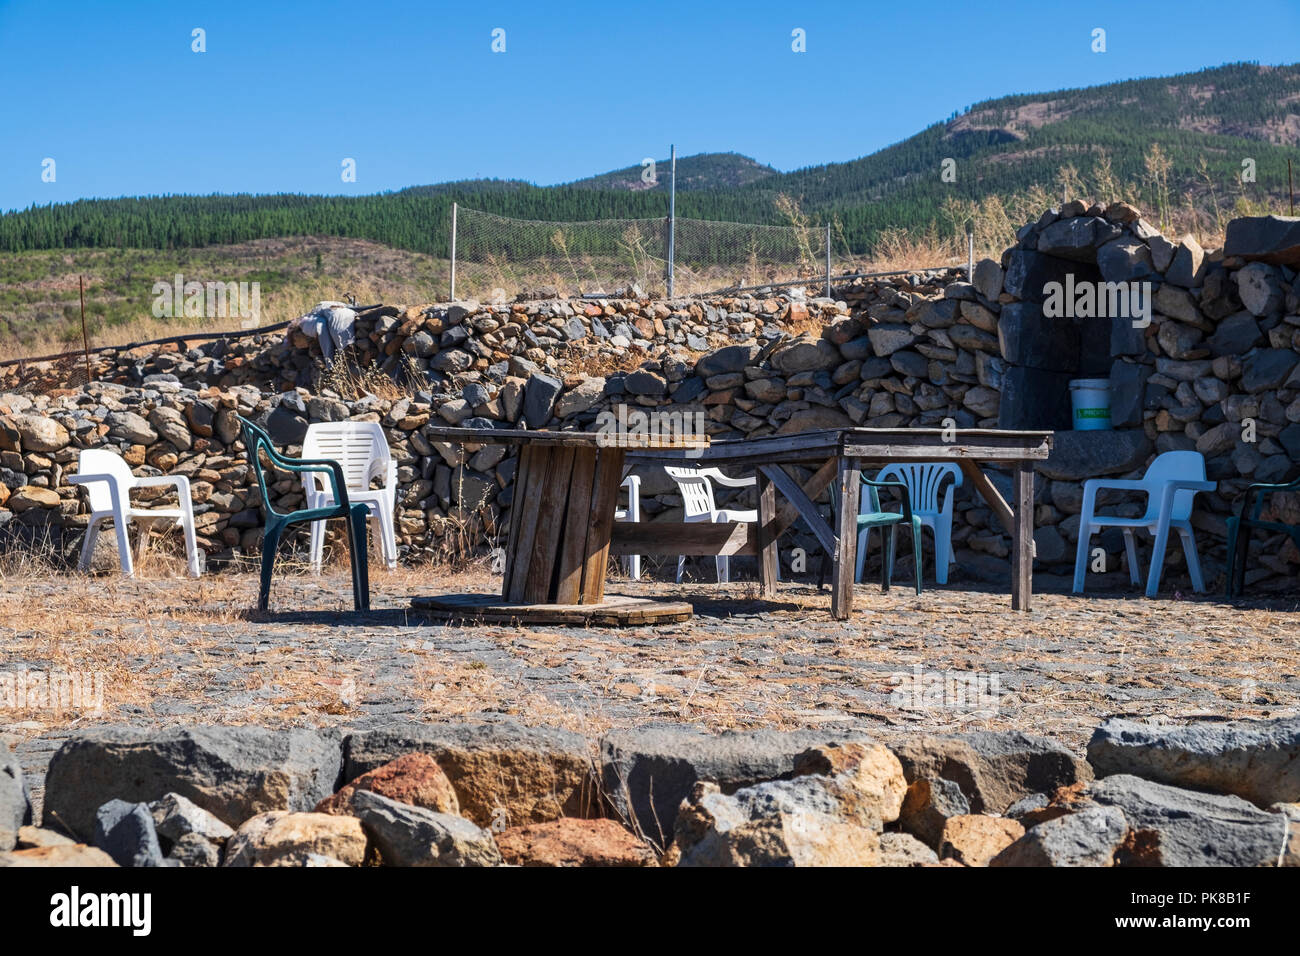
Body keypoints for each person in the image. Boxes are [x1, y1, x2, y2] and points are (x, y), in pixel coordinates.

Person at [286, 301, 357, 362]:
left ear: (295, 337)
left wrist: (329, 360)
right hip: (347, 315)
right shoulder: (309, 321)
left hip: (341, 324)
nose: (299, 347)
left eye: (295, 344)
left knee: (349, 357)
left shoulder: (305, 326)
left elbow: (321, 328)